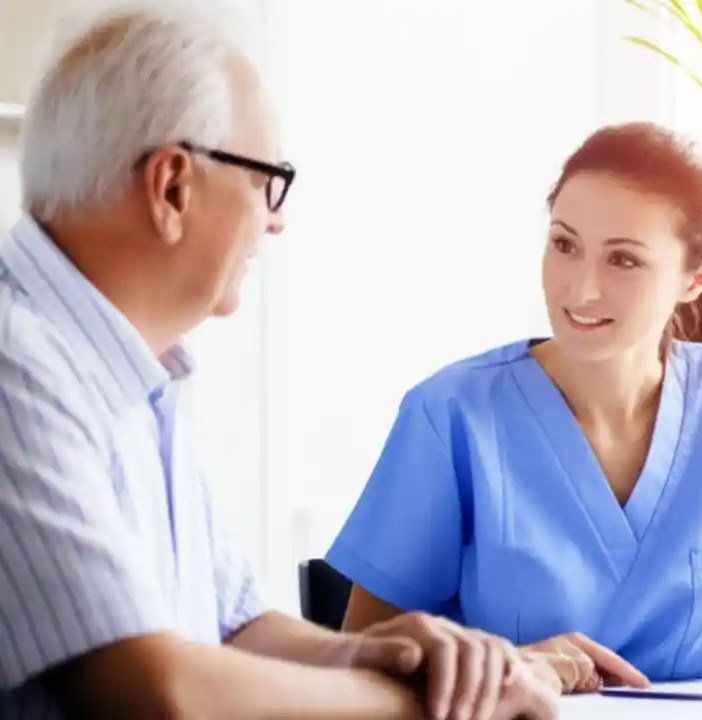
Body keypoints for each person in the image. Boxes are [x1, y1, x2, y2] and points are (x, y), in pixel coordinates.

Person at [0, 3, 556, 719]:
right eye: (270, 181)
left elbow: (236, 628)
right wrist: (426, 707)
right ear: (172, 186)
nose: (276, 218)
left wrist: (387, 652)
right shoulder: (19, 365)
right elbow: (157, 689)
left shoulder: (133, 373)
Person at [327, 122, 702, 693]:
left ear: (696, 277)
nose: (580, 290)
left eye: (624, 261)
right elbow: (363, 654)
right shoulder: (451, 415)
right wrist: (511, 666)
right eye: (564, 245)